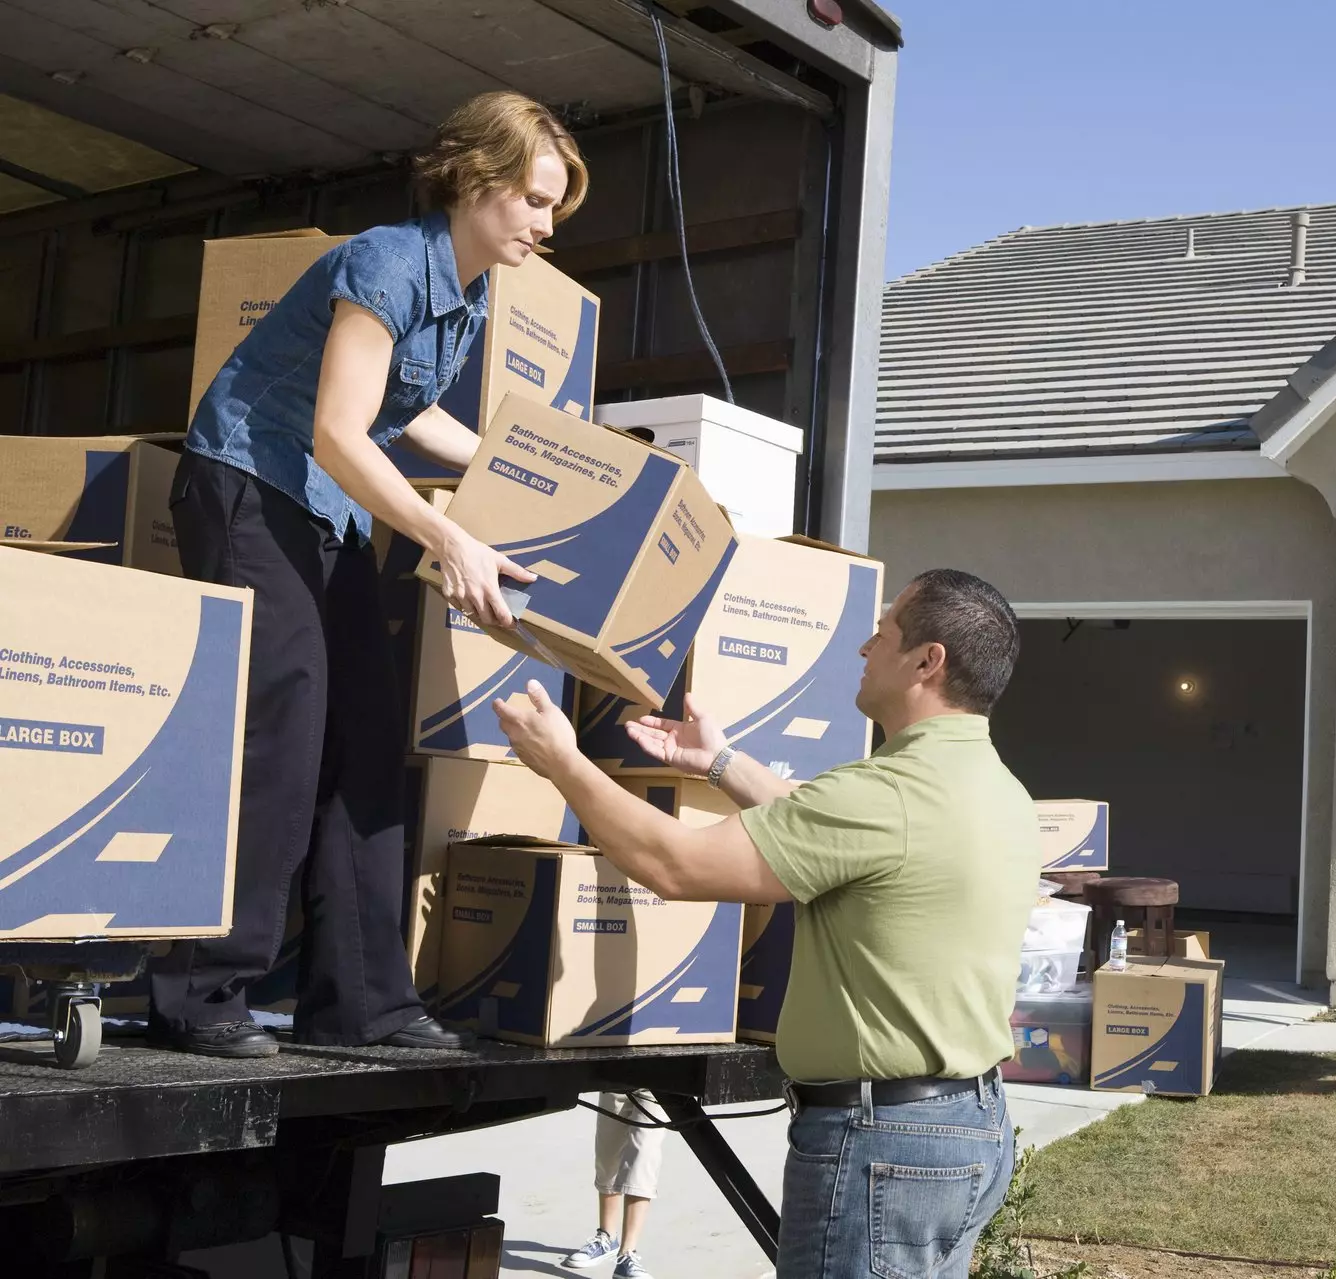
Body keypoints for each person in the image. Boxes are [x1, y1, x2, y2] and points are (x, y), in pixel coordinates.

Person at [147, 92, 590, 1058]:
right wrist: (451, 536)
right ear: (477, 180)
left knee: (369, 735)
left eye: (555, 206)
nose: (547, 225)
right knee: (287, 725)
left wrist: (514, 478)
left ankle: (365, 1002)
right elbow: (339, 431)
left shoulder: (467, 295)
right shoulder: (387, 260)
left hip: (322, 508)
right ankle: (197, 993)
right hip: (248, 484)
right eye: (534, 199)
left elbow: (405, 413)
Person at [495, 569, 1041, 1279]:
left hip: (883, 1144)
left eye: (883, 631)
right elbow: (830, 830)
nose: (864, 647)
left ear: (926, 660)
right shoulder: (997, 790)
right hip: (966, 1128)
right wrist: (718, 762)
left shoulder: (888, 795)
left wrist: (564, 762)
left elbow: (676, 865)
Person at [563, 1091, 664, 1278]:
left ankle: (627, 1254)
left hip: (658, 1079)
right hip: (616, 1073)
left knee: (643, 1156)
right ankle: (607, 1237)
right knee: (607, 1155)